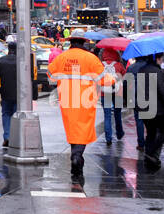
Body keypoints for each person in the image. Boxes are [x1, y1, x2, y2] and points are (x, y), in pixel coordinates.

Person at [49, 34, 104, 178]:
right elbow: (103, 79)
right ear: (83, 43)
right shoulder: (91, 58)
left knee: (73, 129)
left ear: (71, 42)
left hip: (67, 99)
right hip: (85, 100)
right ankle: (77, 156)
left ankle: (75, 156)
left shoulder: (61, 57)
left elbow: (50, 74)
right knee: (83, 130)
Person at [0, 41, 19, 148]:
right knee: (17, 116)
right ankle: (15, 139)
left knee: (6, 115)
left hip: (5, 93)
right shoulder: (21, 61)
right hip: (19, 94)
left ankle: (7, 137)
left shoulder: (1, 61)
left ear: (8, 49)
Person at [97, 48, 126, 146]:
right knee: (118, 114)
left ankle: (108, 138)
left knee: (107, 116)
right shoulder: (119, 65)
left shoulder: (100, 65)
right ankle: (119, 133)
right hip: (117, 92)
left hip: (105, 93)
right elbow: (124, 77)